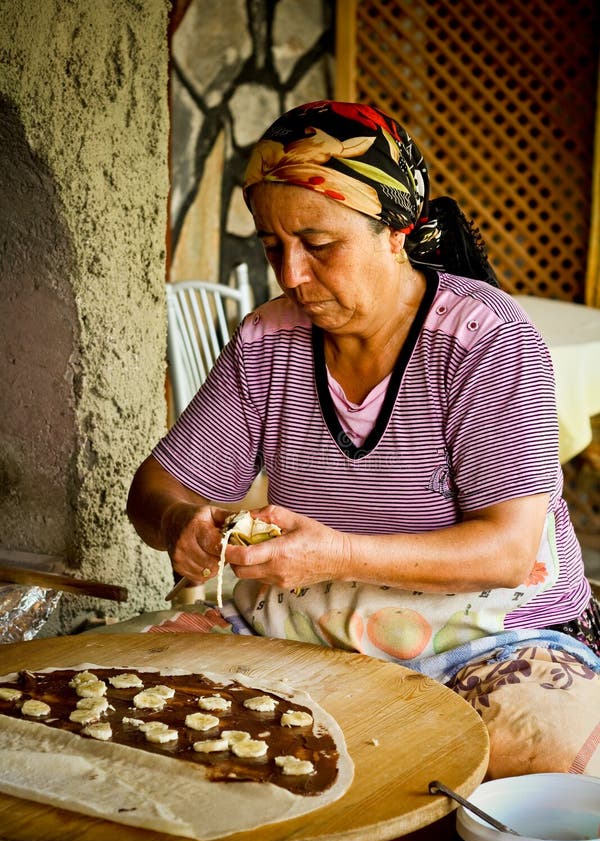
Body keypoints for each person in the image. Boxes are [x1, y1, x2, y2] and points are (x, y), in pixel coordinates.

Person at [128, 101, 600, 786]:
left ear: (396, 232)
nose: (290, 274)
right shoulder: (267, 342)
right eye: (271, 246)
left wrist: (334, 556)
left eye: (318, 245)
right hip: (299, 631)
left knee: (551, 749)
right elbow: (155, 489)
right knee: (130, 697)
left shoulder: (484, 340)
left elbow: (505, 552)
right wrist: (181, 523)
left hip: (483, 644)